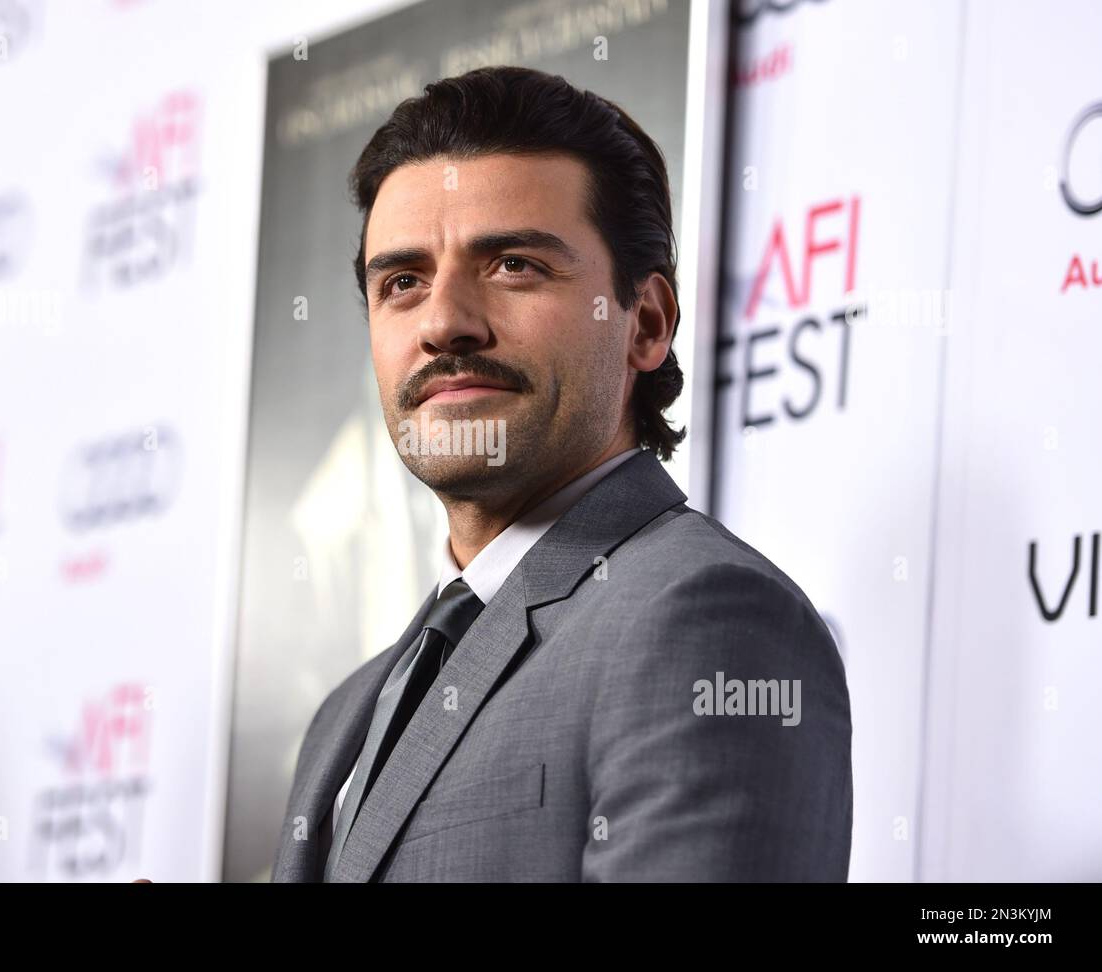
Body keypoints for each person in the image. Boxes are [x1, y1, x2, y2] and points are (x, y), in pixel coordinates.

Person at [271, 65, 851, 882]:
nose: (444, 322)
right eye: (402, 282)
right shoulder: (349, 712)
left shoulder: (709, 621)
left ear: (645, 323)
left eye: (513, 265)